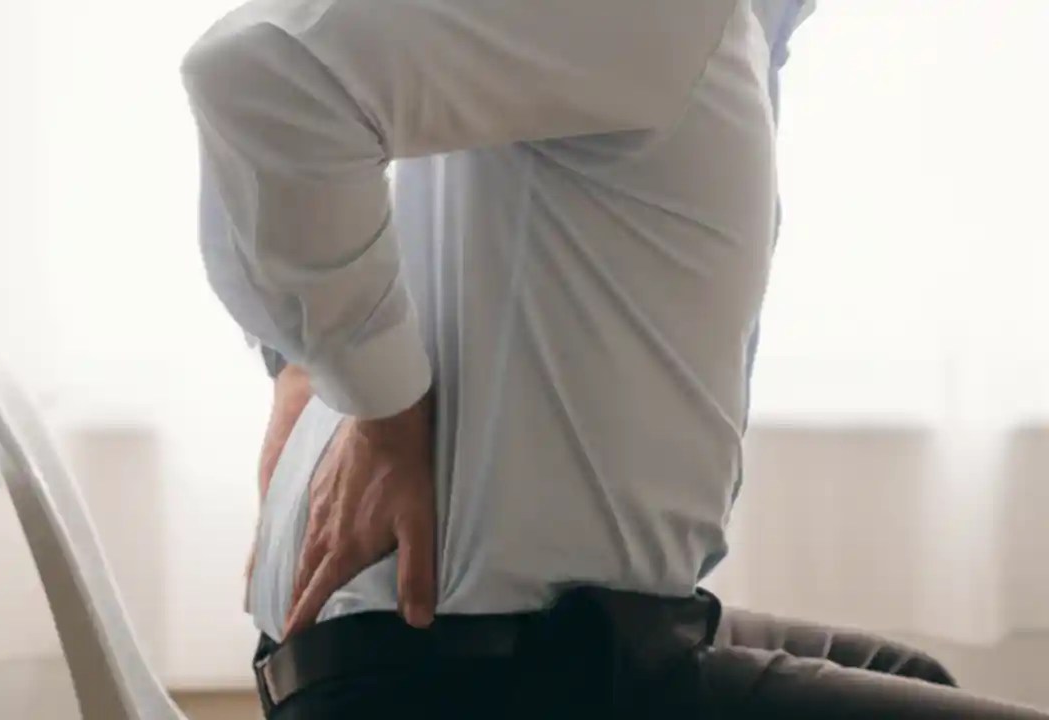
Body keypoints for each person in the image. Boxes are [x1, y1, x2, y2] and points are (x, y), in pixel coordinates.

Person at [182, 1, 1049, 717]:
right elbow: (256, 73)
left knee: (918, 683)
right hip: (465, 673)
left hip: (554, 640)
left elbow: (275, 66)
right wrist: (370, 397)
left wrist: (302, 356)